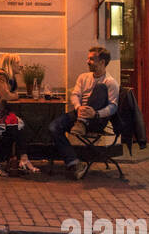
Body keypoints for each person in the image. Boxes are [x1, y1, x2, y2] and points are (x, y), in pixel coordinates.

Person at [49, 46, 119, 180]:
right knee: (54, 127)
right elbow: (75, 95)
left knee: (100, 88)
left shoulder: (110, 82)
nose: (87, 61)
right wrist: (78, 107)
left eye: (92, 59)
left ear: (102, 62)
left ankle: (82, 122)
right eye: (88, 58)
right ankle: (74, 163)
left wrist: (96, 113)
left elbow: (113, 107)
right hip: (79, 114)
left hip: (96, 119)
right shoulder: (83, 77)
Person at [0, 53, 37, 176]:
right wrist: (17, 95)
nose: (21, 65)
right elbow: (6, 96)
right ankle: (3, 162)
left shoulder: (9, 78)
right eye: (18, 63)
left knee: (17, 124)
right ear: (9, 64)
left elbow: (6, 97)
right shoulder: (0, 75)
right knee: (10, 128)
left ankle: (21, 158)